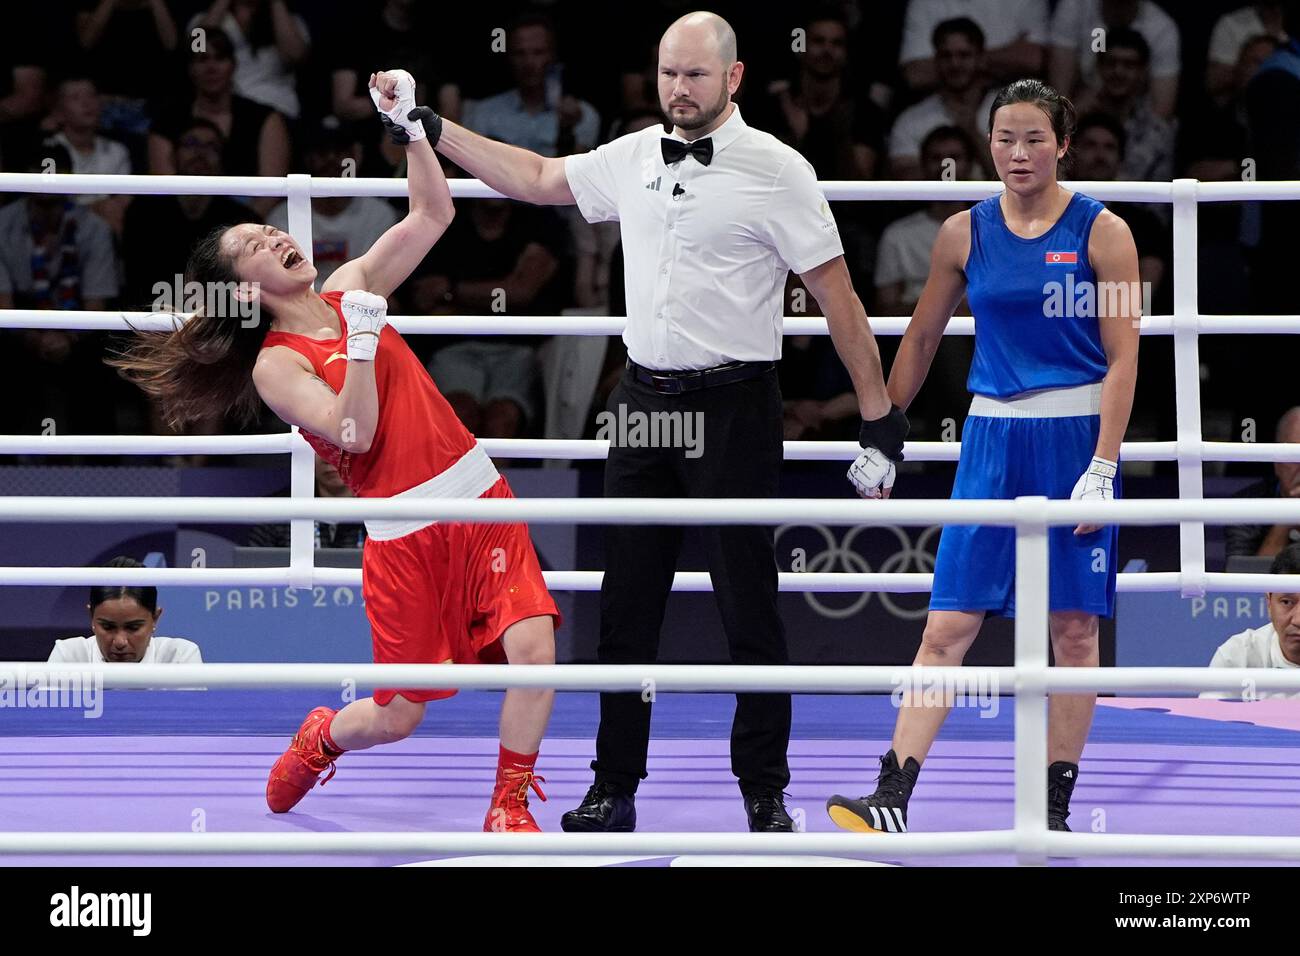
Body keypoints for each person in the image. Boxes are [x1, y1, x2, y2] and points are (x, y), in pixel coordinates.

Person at [416, 10, 904, 832]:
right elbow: (536, 177)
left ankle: (764, 788)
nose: (679, 90)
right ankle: (615, 786)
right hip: (642, 402)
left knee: (748, 603)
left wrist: (879, 417)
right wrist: (434, 129)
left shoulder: (780, 170)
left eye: (696, 76)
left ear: (735, 78)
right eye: (668, 74)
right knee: (626, 605)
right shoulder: (633, 153)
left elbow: (839, 300)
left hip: (737, 403)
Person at [109, 70, 559, 833]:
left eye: (271, 230)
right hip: (402, 537)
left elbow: (433, 210)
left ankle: (507, 805)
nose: (278, 235)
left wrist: (411, 125)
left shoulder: (353, 283)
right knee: (399, 716)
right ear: (244, 291)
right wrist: (357, 340)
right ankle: (322, 736)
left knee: (536, 649)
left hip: (478, 497)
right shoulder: (274, 365)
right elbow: (354, 434)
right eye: (255, 244)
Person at [827, 79, 1141, 834]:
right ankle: (892, 797)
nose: (1018, 152)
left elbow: (1125, 357)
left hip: (1076, 436)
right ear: (987, 143)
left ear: (1063, 144)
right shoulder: (960, 233)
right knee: (947, 625)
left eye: (1035, 137)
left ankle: (1053, 804)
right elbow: (923, 338)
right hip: (991, 440)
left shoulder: (1107, 233)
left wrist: (1103, 465)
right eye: (1005, 137)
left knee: (1073, 631)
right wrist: (883, 431)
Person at [49, 557, 202, 664]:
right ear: (91, 617)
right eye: (108, 627)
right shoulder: (69, 656)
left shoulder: (179, 657)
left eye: (133, 627)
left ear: (155, 618)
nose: (120, 642)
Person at [1201, 544, 1300, 699]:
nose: (1298, 620)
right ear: (1269, 602)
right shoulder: (1238, 656)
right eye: (1287, 602)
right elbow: (1208, 719)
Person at [1226, 408, 1300, 558]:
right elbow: (1246, 577)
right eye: (1294, 455)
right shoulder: (1245, 507)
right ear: (1276, 463)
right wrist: (1288, 514)